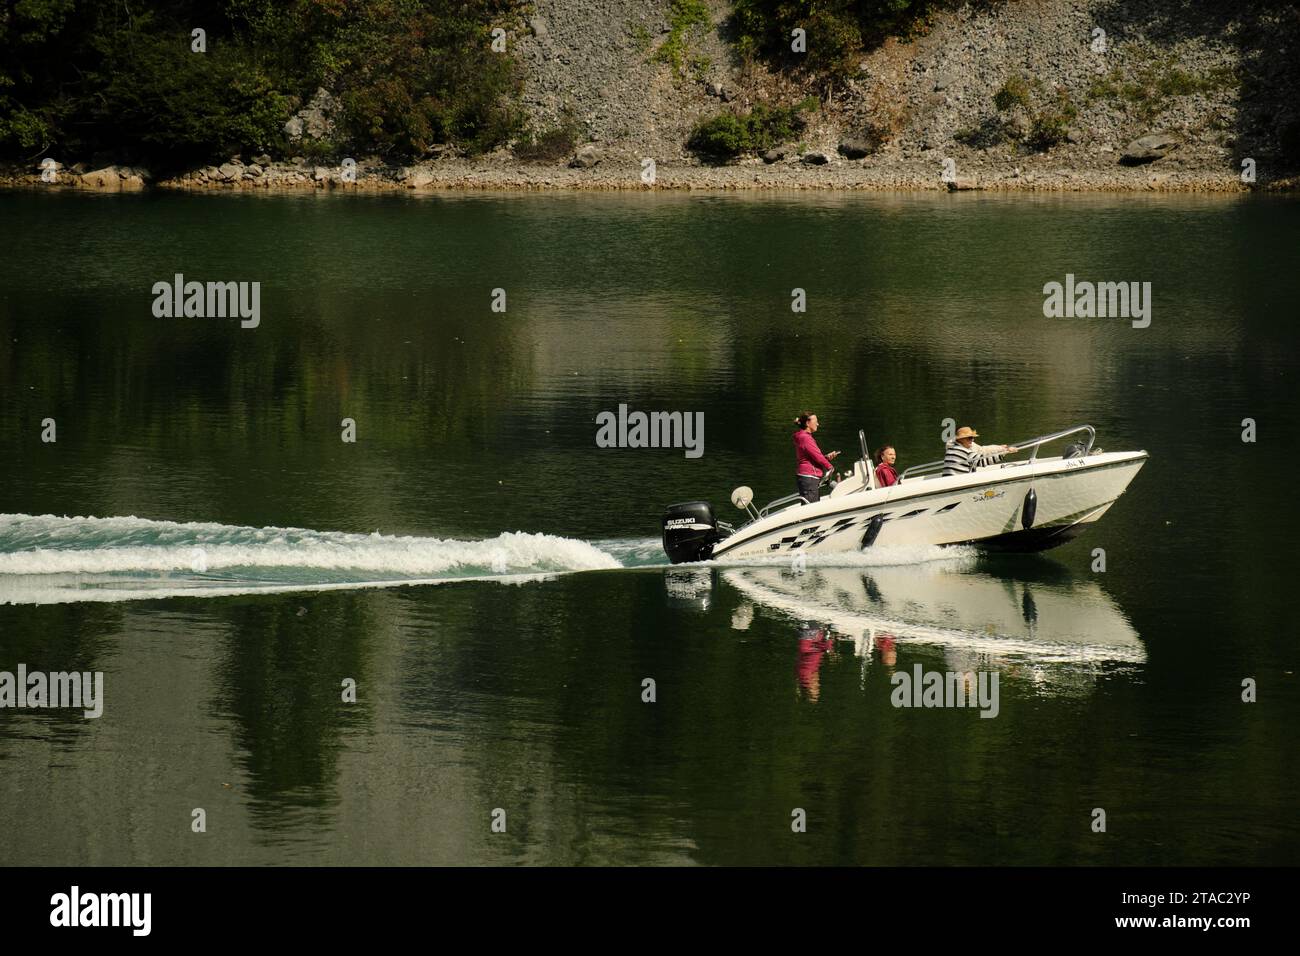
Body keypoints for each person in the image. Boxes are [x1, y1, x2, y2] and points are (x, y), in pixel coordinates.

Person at [793, 412, 839, 503]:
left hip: (807, 477)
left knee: (810, 506)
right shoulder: (805, 438)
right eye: (816, 422)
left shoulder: (803, 436)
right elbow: (817, 456)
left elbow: (812, 457)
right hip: (809, 477)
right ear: (807, 423)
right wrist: (830, 467)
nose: (818, 424)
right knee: (810, 509)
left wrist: (826, 458)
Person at [943, 426, 1019, 476]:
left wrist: (1000, 448)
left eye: (972, 438)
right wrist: (1005, 452)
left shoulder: (951, 449)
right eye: (969, 438)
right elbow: (983, 461)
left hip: (951, 480)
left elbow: (982, 451)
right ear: (961, 439)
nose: (972, 440)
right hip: (958, 482)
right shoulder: (964, 452)